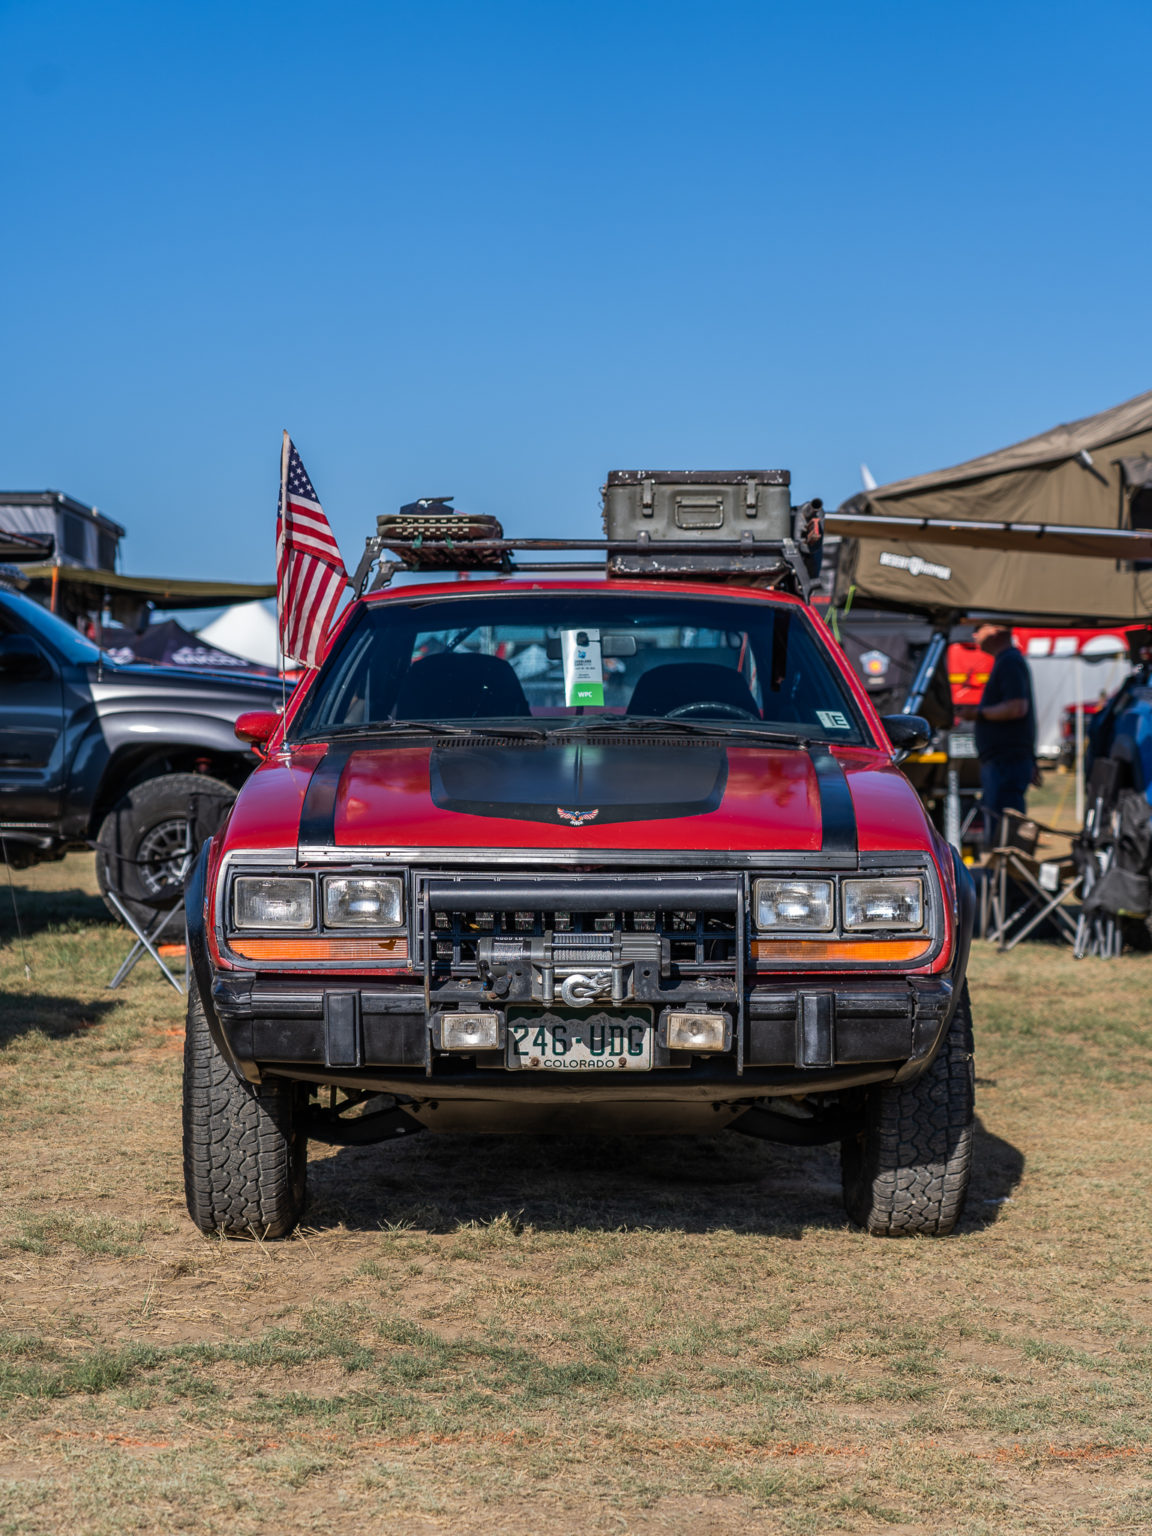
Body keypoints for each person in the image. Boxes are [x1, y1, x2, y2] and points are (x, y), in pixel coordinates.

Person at [956, 620, 1036, 844]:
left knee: (1005, 829)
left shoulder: (1010, 661)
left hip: (1006, 762)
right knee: (1000, 824)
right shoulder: (1006, 661)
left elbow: (1017, 707)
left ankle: (1006, 877)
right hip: (1006, 760)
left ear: (995, 630)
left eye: (978, 629)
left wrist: (977, 714)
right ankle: (1001, 875)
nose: (973, 636)